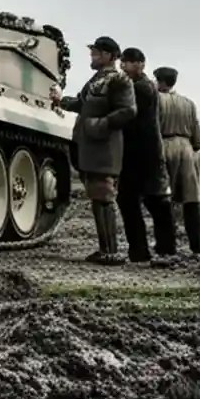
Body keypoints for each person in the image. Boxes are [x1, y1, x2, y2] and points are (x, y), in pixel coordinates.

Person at [50, 36, 137, 265]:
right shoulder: (98, 80)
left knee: (104, 197)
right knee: (98, 197)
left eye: (96, 53)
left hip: (104, 147)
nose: (92, 57)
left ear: (109, 56)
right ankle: (106, 249)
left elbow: (127, 111)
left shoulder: (119, 81)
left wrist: (99, 125)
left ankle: (110, 251)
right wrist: (61, 101)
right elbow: (82, 103)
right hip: (90, 146)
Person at [117, 47, 179, 265]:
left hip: (144, 153)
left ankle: (154, 249)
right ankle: (156, 248)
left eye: (129, 62)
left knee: (148, 202)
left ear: (141, 64)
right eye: (122, 61)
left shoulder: (141, 88)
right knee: (145, 201)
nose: (123, 65)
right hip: (139, 153)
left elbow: (125, 111)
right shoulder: (140, 86)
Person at [154, 66, 200, 255]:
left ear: (158, 80)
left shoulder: (156, 101)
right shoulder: (188, 103)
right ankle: (197, 245)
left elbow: (153, 128)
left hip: (164, 147)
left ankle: (167, 247)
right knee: (191, 201)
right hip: (187, 150)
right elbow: (198, 138)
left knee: (163, 200)